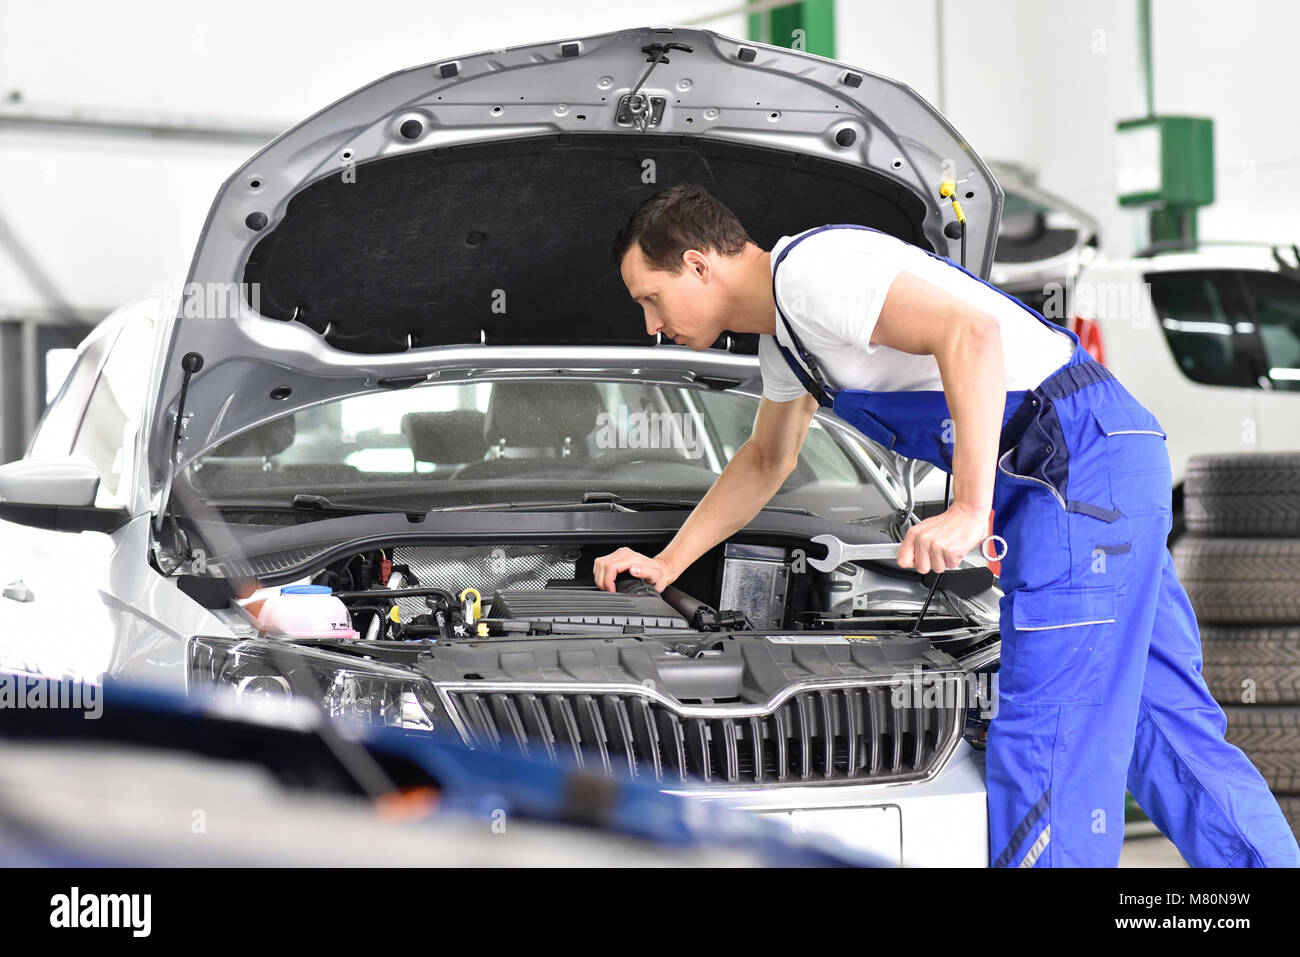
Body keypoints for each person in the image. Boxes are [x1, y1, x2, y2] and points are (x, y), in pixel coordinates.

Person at [593, 183, 1300, 868]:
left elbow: (971, 332)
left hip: (1074, 469)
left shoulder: (812, 274)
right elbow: (765, 458)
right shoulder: (786, 341)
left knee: (1049, 736)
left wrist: (967, 504)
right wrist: (669, 561)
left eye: (649, 299)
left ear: (696, 263)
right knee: (1163, 723)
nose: (651, 324)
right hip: (1104, 459)